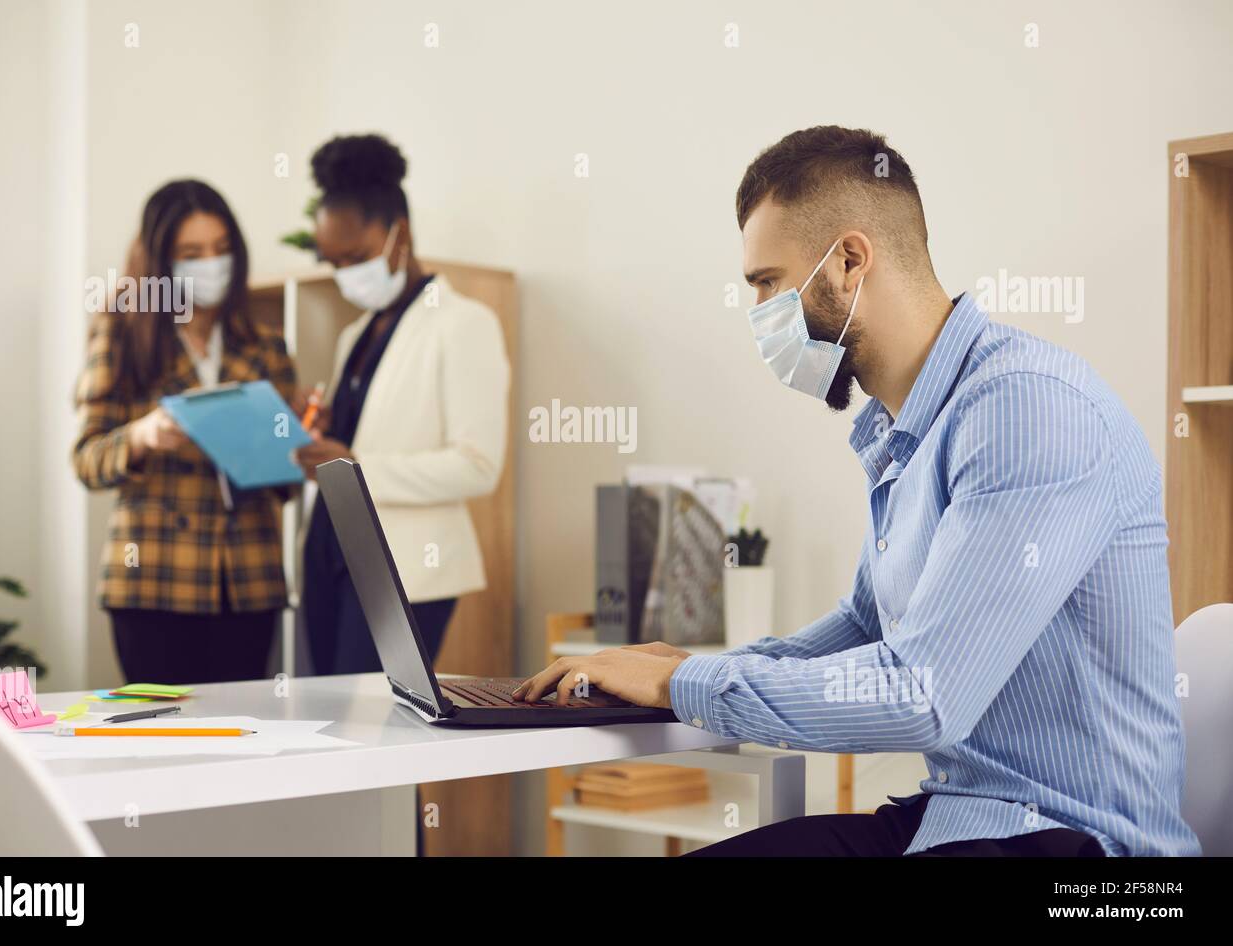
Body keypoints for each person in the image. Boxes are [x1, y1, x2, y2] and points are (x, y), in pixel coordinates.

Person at [514, 125, 1200, 857]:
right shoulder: (903, 430)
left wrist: (690, 688)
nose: (757, 315)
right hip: (957, 818)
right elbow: (865, 625)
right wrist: (686, 669)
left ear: (849, 260)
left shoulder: (1025, 411)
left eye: (766, 284)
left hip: (1083, 848)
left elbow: (922, 695)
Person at [295, 134, 509, 675]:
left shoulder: (464, 324)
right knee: (326, 727)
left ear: (401, 235)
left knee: (374, 739)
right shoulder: (356, 334)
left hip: (407, 569)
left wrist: (357, 470)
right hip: (329, 554)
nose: (346, 274)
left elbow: (478, 466)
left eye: (357, 257)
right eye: (334, 261)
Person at [73, 180, 298, 685]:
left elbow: (287, 483)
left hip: (248, 580)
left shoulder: (264, 344)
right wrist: (142, 435)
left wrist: (293, 442)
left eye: (221, 249)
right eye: (192, 252)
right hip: (153, 580)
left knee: (246, 739)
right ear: (160, 260)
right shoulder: (123, 331)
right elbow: (86, 458)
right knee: (164, 743)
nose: (210, 263)